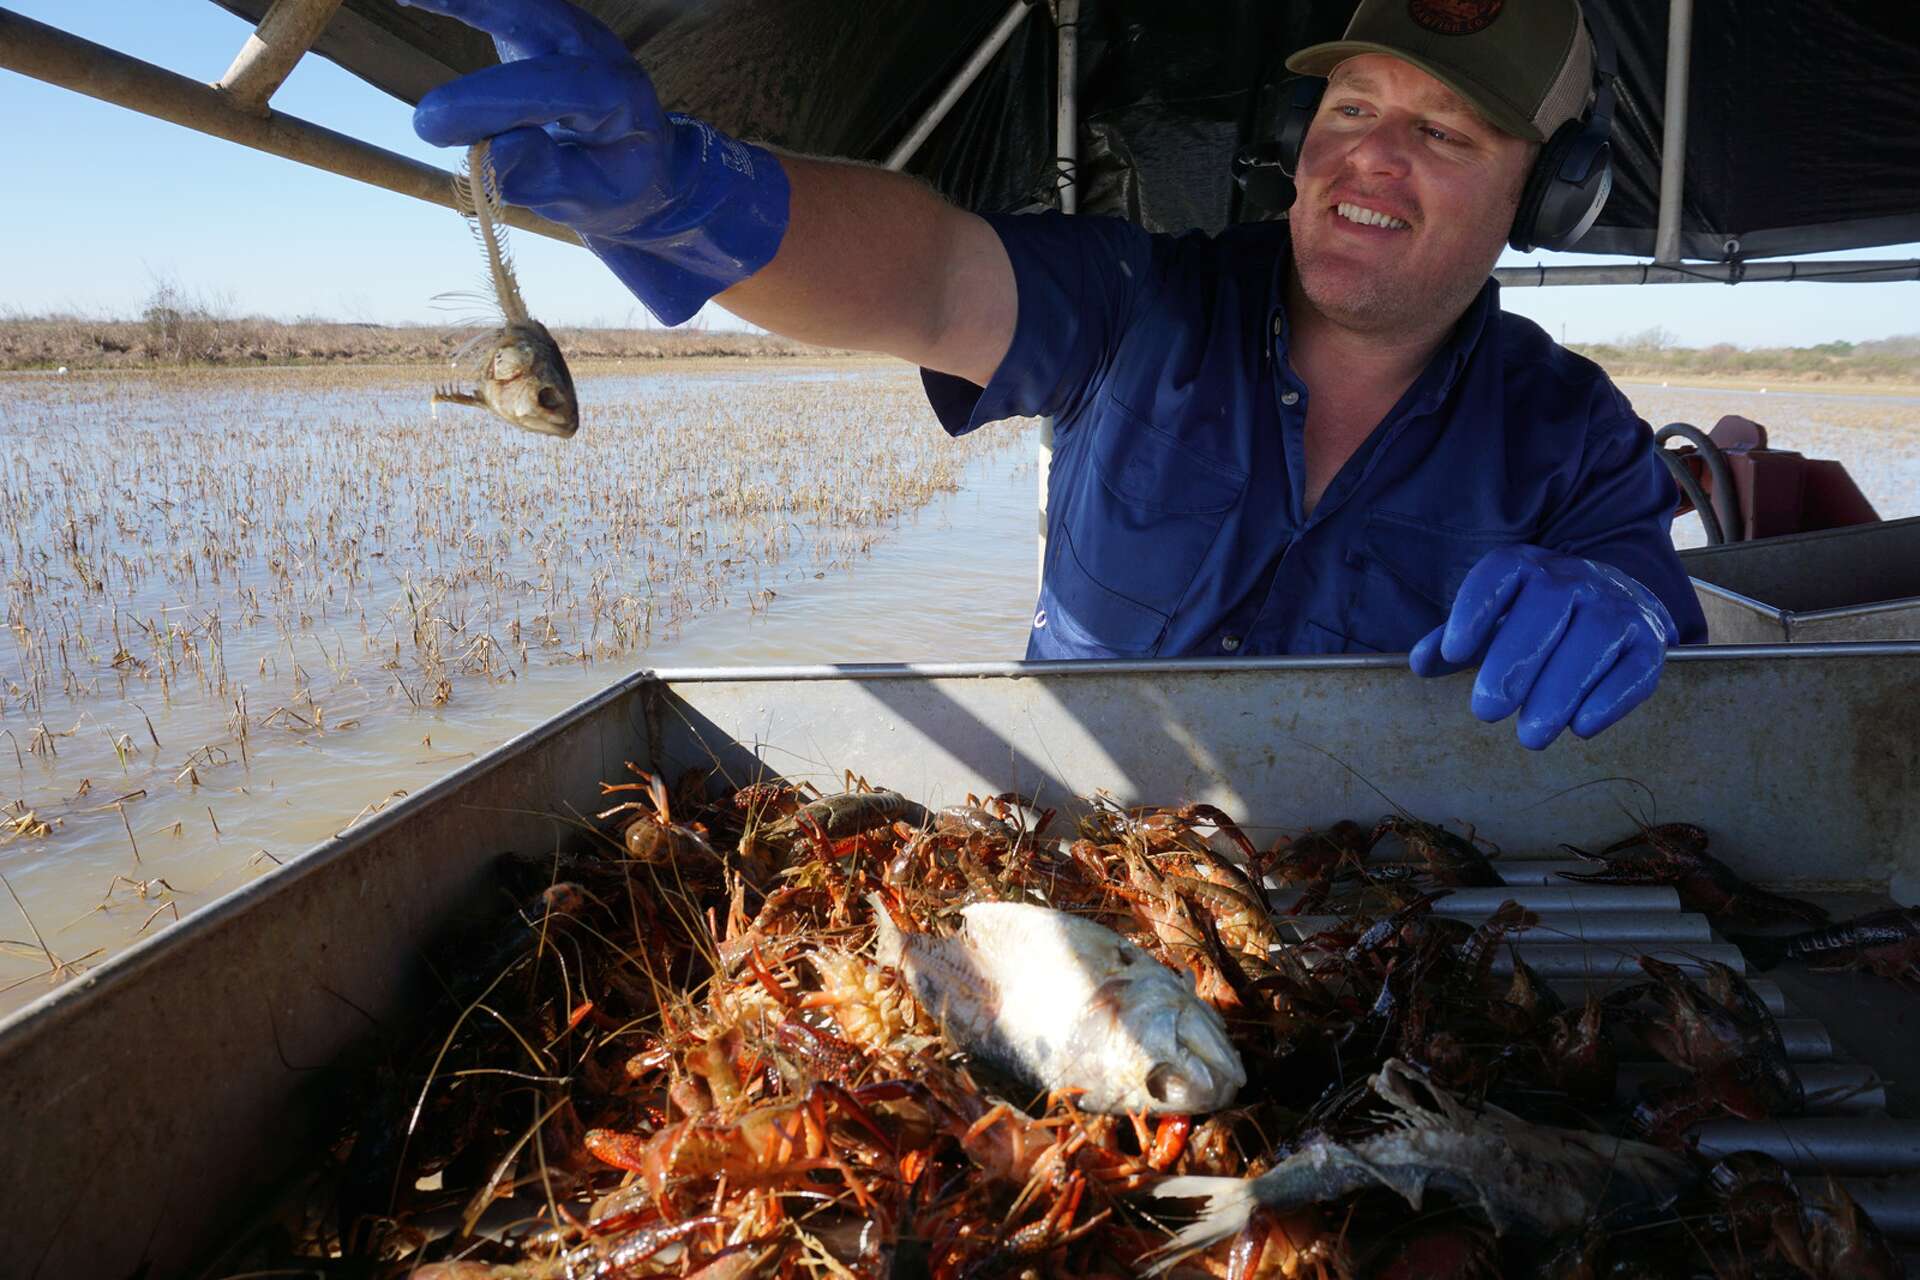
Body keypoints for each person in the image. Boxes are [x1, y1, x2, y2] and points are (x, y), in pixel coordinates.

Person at [399, 0, 1707, 750]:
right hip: (1076, 859)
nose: (1368, 157)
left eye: (1441, 131)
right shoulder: (1147, 298)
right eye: (1352, 109)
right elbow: (935, 280)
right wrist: (688, 195)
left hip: (1375, 920)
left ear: (1553, 193)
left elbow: (1651, 591)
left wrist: (1629, 607)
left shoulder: (1575, 434)